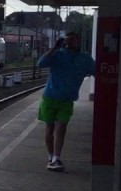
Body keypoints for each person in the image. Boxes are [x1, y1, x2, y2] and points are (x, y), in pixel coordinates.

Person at [37, 32, 95, 171]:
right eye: (68, 40)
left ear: (78, 42)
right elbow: (41, 63)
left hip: (66, 100)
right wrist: (54, 49)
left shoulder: (84, 59)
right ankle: (51, 156)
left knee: (61, 128)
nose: (70, 43)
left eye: (73, 40)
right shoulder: (57, 55)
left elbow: (97, 71)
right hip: (50, 96)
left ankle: (56, 158)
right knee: (50, 128)